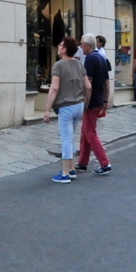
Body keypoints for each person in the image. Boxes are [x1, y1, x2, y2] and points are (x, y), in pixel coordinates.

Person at [42, 37, 88, 184]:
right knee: (70, 137)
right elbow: (88, 86)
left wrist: (47, 109)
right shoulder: (79, 65)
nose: (59, 47)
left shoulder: (59, 65)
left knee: (66, 139)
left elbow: (54, 88)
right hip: (79, 105)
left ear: (65, 49)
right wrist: (85, 103)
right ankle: (72, 168)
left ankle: (65, 173)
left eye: (61, 45)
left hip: (66, 106)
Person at [76, 33, 113, 176]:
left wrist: (85, 103)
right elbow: (106, 81)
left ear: (88, 45)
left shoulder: (90, 60)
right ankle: (83, 163)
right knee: (85, 132)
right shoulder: (101, 58)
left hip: (91, 102)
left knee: (90, 133)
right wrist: (105, 100)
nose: (80, 47)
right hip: (99, 100)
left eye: (82, 44)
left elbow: (88, 84)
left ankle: (105, 163)